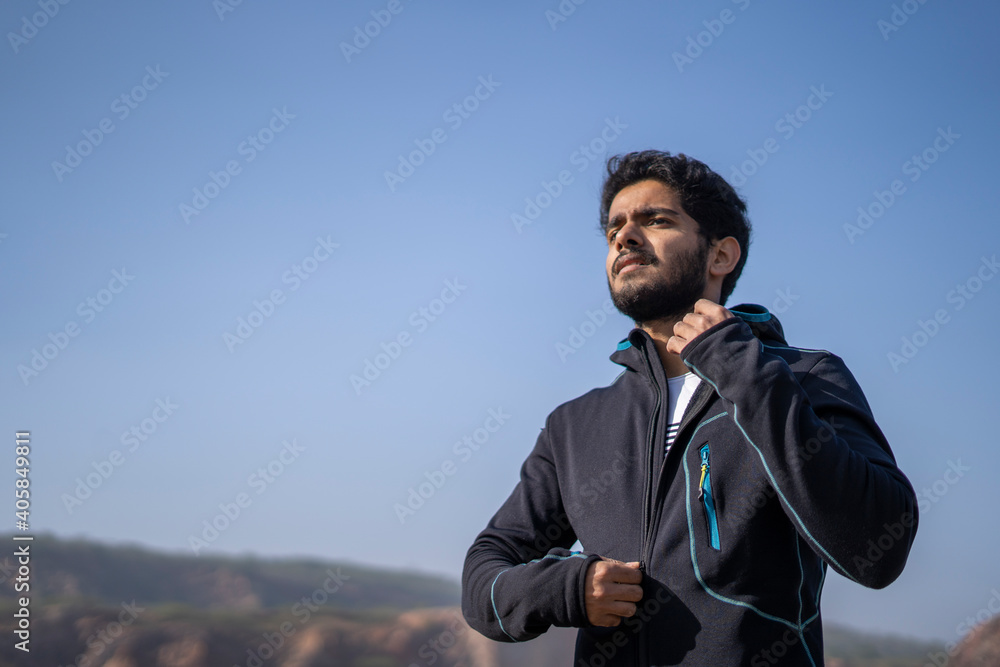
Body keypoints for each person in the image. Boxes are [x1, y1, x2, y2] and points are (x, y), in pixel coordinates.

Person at [461, 150, 918, 665]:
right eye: (614, 229)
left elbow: (879, 546)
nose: (625, 237)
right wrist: (567, 588)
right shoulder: (574, 425)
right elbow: (483, 577)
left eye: (656, 220)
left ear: (720, 256)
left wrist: (739, 366)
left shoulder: (806, 379)